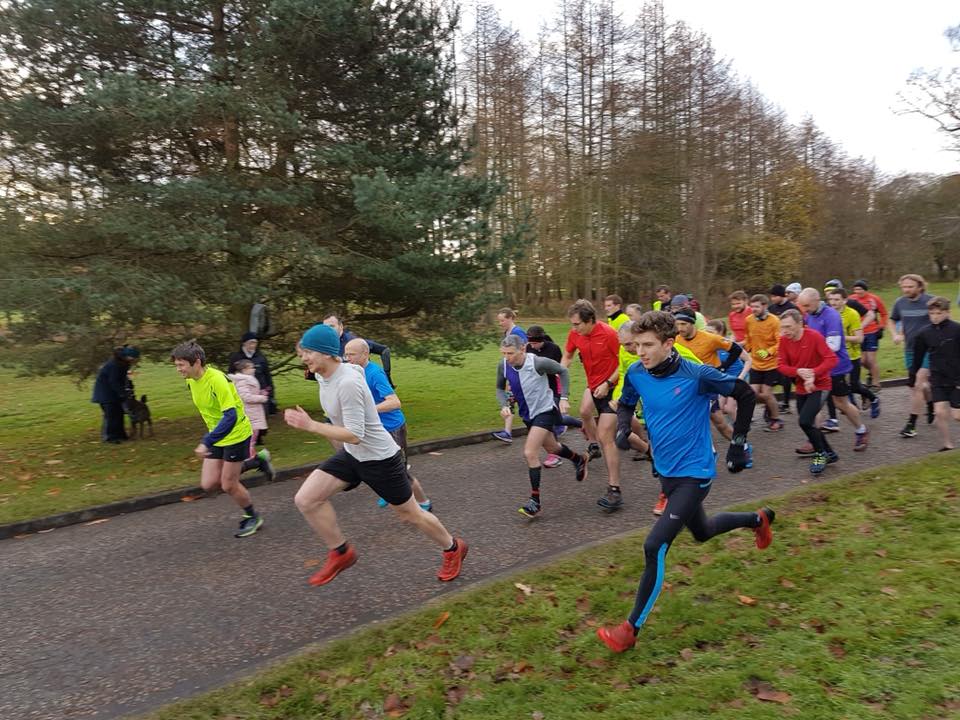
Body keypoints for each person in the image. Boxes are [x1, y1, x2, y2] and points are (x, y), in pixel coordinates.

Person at [596, 312, 773, 653]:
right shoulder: (636, 372)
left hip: (696, 472)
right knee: (702, 531)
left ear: (668, 343)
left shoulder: (697, 374)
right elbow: (627, 402)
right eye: (637, 345)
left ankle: (630, 629)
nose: (641, 352)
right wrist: (622, 427)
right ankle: (757, 519)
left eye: (648, 345)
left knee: (655, 545)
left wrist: (737, 444)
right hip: (667, 471)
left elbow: (746, 395)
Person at [285, 324, 467, 585]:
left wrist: (311, 425)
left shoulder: (346, 382)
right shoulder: (332, 372)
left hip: (379, 458)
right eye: (302, 352)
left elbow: (354, 433)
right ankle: (341, 552)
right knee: (306, 499)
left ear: (326, 353)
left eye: (308, 352)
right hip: (353, 455)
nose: (303, 358)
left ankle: (453, 547)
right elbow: (354, 369)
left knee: (410, 514)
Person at [172, 340, 264, 538]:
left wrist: (207, 440)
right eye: (176, 365)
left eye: (181, 365)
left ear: (196, 362)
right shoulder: (191, 380)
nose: (178, 370)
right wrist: (212, 438)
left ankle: (253, 516)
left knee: (228, 484)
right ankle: (257, 460)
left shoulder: (217, 380)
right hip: (217, 436)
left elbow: (230, 416)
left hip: (236, 434)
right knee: (208, 484)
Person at [496, 334, 590, 517]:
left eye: (511, 353)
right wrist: (504, 405)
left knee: (530, 452)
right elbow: (500, 388)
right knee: (553, 448)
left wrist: (563, 397)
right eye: (504, 353)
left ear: (523, 349)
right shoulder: (503, 366)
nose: (507, 357)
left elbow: (563, 371)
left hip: (545, 411)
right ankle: (579, 459)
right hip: (528, 415)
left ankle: (535, 501)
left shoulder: (538, 363)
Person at [619, 321, 704, 516]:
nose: (633, 350)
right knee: (660, 447)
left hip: (687, 408)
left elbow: (701, 371)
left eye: (631, 344)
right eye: (626, 346)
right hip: (656, 413)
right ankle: (670, 493)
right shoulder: (633, 360)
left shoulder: (678, 353)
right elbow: (627, 378)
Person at [342, 338, 434, 512]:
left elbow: (394, 402)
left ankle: (424, 502)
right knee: (375, 465)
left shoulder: (375, 373)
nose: (347, 358)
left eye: (351, 354)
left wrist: (369, 410)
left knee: (401, 473)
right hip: (376, 429)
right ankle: (388, 491)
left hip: (393, 428)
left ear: (365, 354)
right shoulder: (352, 372)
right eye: (345, 354)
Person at [562, 299, 623, 510]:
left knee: (608, 436)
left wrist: (608, 383)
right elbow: (568, 355)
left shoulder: (608, 334)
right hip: (594, 385)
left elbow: (623, 363)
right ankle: (596, 446)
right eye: (572, 324)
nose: (574, 328)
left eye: (577, 324)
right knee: (585, 411)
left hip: (614, 388)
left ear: (590, 321)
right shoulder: (576, 334)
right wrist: (560, 373)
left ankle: (614, 490)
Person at [796, 288, 870, 452]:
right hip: (816, 368)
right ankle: (814, 440)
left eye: (807, 305)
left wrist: (810, 353)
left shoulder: (831, 316)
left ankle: (861, 431)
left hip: (835, 367)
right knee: (812, 404)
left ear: (817, 300)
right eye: (803, 306)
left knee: (841, 403)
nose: (805, 309)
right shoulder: (810, 315)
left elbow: (833, 346)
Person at [776, 309, 839, 474]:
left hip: (821, 385)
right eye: (782, 327)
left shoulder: (814, 337)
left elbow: (832, 359)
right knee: (807, 423)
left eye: (788, 327)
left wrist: (813, 373)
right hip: (801, 387)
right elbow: (781, 366)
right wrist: (797, 372)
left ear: (799, 324)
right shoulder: (783, 341)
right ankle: (830, 453)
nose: (785, 331)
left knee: (804, 421)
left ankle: (820, 454)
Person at [672, 308, 744, 442]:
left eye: (683, 324)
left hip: (708, 386)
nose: (680, 328)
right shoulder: (675, 340)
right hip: (688, 387)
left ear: (692, 323)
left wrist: (723, 368)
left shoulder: (710, 338)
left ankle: (742, 446)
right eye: (677, 324)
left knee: (720, 424)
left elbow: (736, 349)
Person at [526, 325, 582, 467]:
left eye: (535, 343)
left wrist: (563, 395)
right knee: (557, 419)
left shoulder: (553, 349)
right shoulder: (528, 348)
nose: (532, 346)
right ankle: (581, 424)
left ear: (542, 339)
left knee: (548, 422)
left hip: (552, 388)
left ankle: (554, 456)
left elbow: (559, 370)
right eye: (530, 343)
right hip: (537, 390)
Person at [910, 297, 960, 451]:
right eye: (932, 313)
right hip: (937, 377)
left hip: (957, 378)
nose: (935, 316)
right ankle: (947, 444)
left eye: (939, 313)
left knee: (957, 416)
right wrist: (913, 376)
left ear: (947, 312)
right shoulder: (924, 333)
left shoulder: (957, 329)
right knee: (939, 412)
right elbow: (918, 358)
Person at [888, 274, 934, 438]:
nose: (906, 290)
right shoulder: (899, 303)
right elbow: (892, 320)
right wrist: (895, 334)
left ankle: (911, 425)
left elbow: (941, 320)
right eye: (904, 287)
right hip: (910, 349)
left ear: (920, 287)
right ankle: (930, 403)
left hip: (929, 349)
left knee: (917, 383)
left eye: (910, 287)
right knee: (922, 386)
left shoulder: (930, 301)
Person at [825, 287, 880, 420]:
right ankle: (833, 419)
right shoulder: (827, 313)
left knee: (854, 386)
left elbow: (859, 338)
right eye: (831, 299)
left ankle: (873, 399)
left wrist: (840, 338)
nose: (833, 302)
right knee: (829, 387)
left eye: (837, 299)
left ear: (845, 300)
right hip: (833, 357)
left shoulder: (852, 314)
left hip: (851, 355)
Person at [227, 360, 276, 481]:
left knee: (251, 440)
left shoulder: (246, 380)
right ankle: (257, 459)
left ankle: (254, 460)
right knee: (250, 440)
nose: (253, 369)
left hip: (253, 414)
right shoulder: (243, 381)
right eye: (251, 368)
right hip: (250, 415)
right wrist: (262, 398)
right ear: (243, 370)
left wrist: (261, 393)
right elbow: (245, 397)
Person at [743, 294, 784, 431]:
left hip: (771, 364)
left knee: (766, 393)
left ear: (765, 306)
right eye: (752, 306)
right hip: (755, 363)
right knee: (752, 393)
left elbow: (780, 342)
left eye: (757, 306)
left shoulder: (774, 321)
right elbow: (748, 337)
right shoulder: (749, 320)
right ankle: (748, 419)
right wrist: (748, 349)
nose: (753, 309)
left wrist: (768, 352)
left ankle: (776, 419)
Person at [321, 314, 394, 386]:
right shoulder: (325, 345)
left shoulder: (353, 341)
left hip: (363, 385)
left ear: (341, 326)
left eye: (332, 326)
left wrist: (387, 375)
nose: (329, 330)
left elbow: (384, 350)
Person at [491, 308, 529, 443]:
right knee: (509, 400)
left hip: (524, 373)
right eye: (499, 321)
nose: (500, 323)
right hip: (512, 371)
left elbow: (525, 351)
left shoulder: (518, 332)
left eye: (502, 320)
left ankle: (558, 424)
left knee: (528, 405)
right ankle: (507, 432)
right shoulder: (507, 332)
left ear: (510, 319)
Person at [92, 346, 140, 443]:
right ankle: (110, 438)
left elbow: (122, 378)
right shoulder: (114, 364)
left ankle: (121, 435)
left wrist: (128, 386)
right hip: (105, 394)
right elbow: (113, 381)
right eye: (133, 358)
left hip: (114, 394)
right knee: (111, 416)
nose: (134, 360)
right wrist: (122, 393)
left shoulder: (123, 363)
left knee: (119, 414)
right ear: (127, 356)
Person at [851, 279, 888, 391]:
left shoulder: (874, 299)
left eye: (860, 289)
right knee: (862, 361)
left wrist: (881, 326)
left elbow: (884, 313)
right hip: (858, 333)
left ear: (865, 290)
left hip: (872, 332)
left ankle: (876, 384)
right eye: (856, 289)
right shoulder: (851, 299)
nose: (858, 291)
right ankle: (872, 373)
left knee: (871, 360)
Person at [227, 332, 276, 417]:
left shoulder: (261, 357)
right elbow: (231, 376)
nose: (253, 345)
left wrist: (270, 395)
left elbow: (267, 376)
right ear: (244, 343)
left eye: (255, 343)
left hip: (259, 395)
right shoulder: (236, 357)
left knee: (260, 422)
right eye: (251, 343)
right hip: (243, 397)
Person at [767, 284, 797, 413]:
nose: (772, 298)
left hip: (791, 343)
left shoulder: (792, 308)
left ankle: (803, 395)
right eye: (771, 296)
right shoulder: (771, 308)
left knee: (792, 375)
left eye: (775, 296)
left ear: (782, 295)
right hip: (777, 345)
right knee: (782, 375)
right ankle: (783, 403)